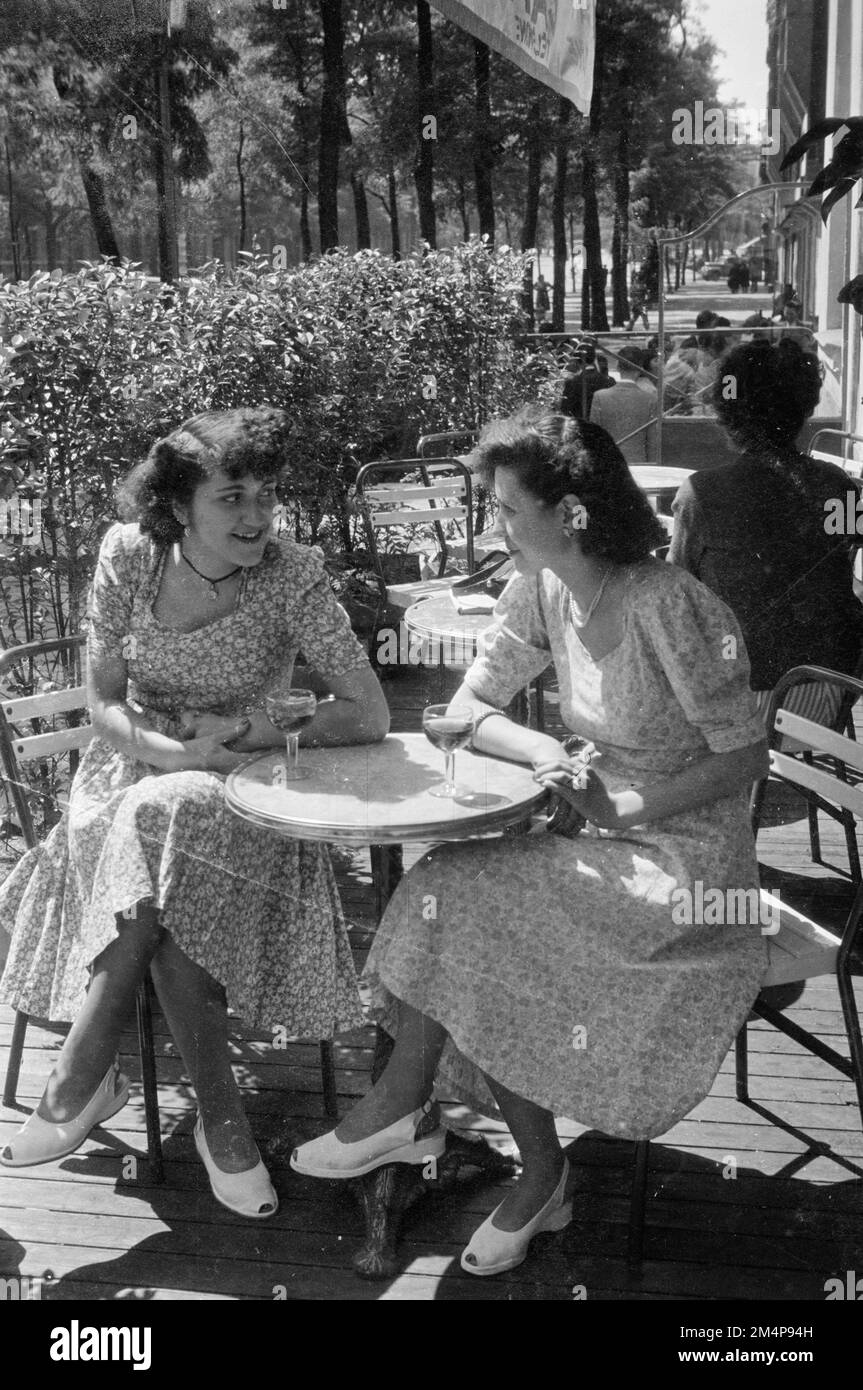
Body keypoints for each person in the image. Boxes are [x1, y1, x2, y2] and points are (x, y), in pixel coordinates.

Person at [291, 408, 769, 1277]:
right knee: (457, 891)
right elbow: (467, 710)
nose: (491, 529)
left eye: (507, 510)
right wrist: (547, 750)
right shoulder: (543, 586)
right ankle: (493, 1151)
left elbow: (746, 751)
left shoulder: (667, 603)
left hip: (692, 868)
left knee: (473, 905)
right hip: (602, 838)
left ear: (573, 511)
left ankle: (434, 1122)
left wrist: (622, 806)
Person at [0, 407, 390, 1215]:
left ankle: (84, 1070)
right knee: (162, 826)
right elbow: (105, 701)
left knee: (164, 821)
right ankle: (222, 1121)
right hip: (131, 771)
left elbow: (368, 712)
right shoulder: (127, 556)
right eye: (231, 497)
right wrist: (178, 755)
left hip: (251, 789)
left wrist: (243, 735)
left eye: (264, 495)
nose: (255, 517)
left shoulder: (293, 572)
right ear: (178, 507)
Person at [669, 340, 863, 722]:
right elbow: (850, 564)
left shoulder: (701, 494)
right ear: (805, 409)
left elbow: (675, 593)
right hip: (827, 700)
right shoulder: (838, 486)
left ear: (729, 413)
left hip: (732, 708)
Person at [590, 346, 657, 461]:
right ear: (640, 369)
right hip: (639, 462)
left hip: (609, 463)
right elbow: (652, 441)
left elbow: (595, 436)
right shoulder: (651, 399)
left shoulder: (600, 396)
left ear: (617, 367)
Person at [558, 339, 613, 420]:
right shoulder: (609, 381)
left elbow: (565, 410)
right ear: (594, 358)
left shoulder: (572, 382)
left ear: (576, 360)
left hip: (581, 426)